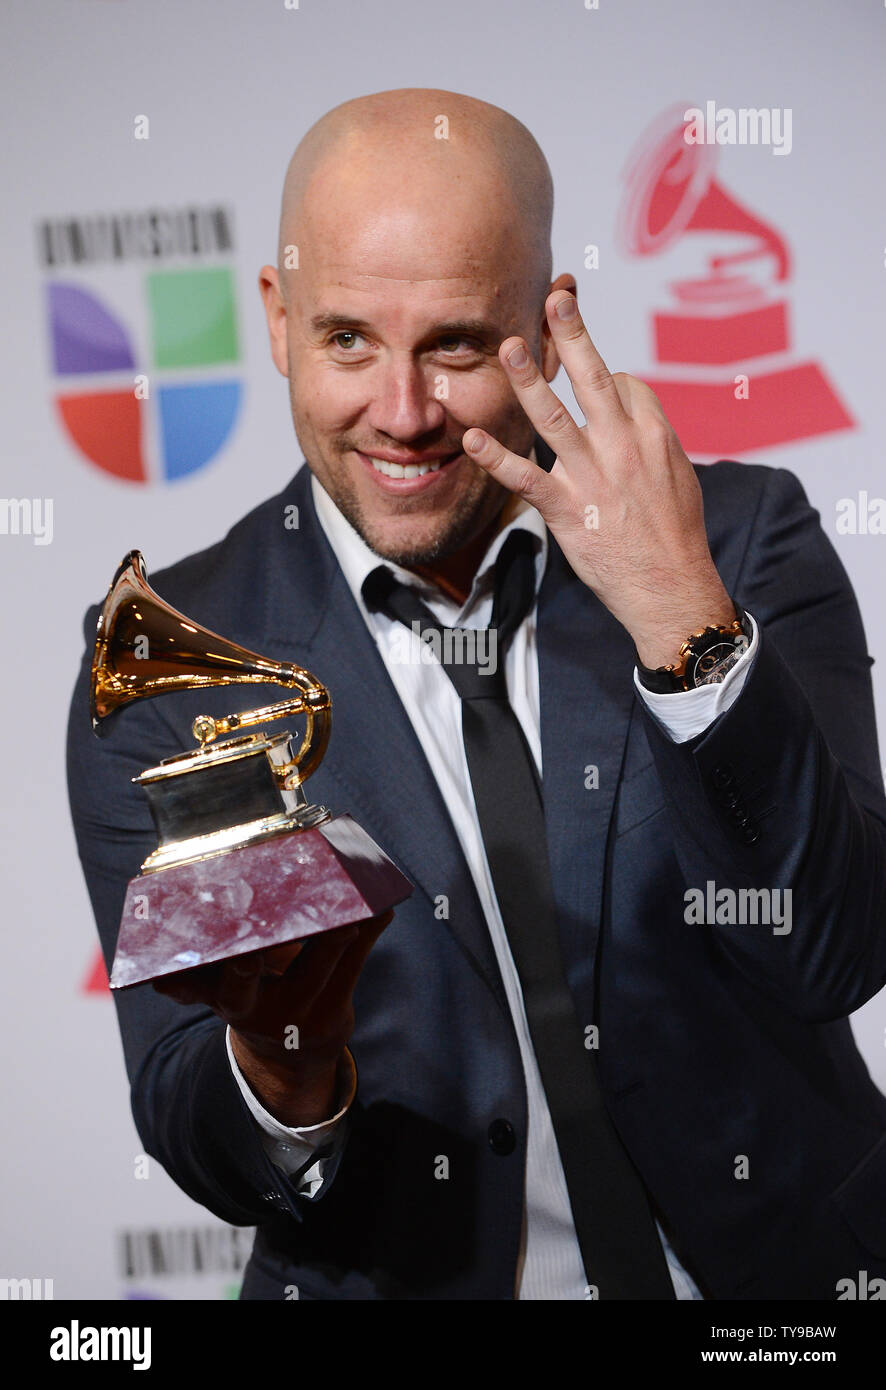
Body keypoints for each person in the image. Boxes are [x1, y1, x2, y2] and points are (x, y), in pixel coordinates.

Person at [67, 87, 886, 1301]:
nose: (401, 416)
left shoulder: (739, 539)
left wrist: (679, 615)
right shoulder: (171, 652)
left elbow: (834, 951)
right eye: (347, 338)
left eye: (454, 344)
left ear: (547, 330)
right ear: (277, 320)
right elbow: (191, 1115)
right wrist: (283, 1074)